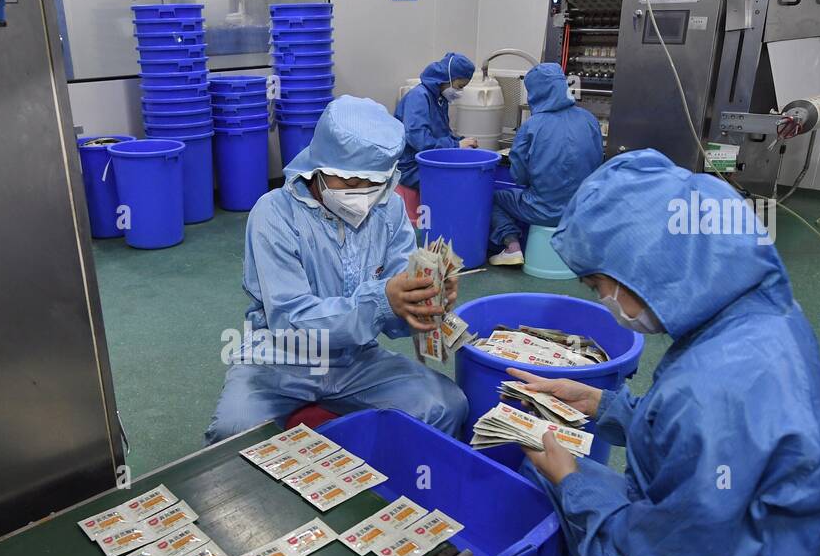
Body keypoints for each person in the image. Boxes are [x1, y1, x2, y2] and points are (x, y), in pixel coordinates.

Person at [401, 150, 820, 556]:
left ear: (644, 267)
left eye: (598, 284)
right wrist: (600, 405)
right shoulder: (756, 317)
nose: (604, 299)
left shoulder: (716, 393)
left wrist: (574, 484)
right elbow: (687, 439)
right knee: (532, 464)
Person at [204, 96, 468, 444]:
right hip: (279, 359)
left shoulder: (388, 211)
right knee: (232, 434)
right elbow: (290, 318)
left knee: (445, 406)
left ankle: (402, 486)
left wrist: (424, 302)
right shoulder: (273, 215)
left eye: (372, 185)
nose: (362, 195)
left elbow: (396, 305)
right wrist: (382, 302)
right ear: (320, 165)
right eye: (349, 182)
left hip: (356, 359)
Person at [487, 62, 603, 267]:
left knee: (492, 198)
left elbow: (519, 176)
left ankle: (512, 247)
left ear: (536, 92)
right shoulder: (590, 119)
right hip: (582, 210)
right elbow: (597, 165)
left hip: (543, 210)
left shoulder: (532, 126)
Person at [394, 52, 479, 225]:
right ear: (447, 78)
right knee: (458, 184)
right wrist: (456, 146)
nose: (459, 91)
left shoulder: (439, 99)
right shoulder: (419, 97)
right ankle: (445, 227)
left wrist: (461, 140)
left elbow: (442, 133)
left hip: (428, 161)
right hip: (410, 166)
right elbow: (418, 138)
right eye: (459, 86)